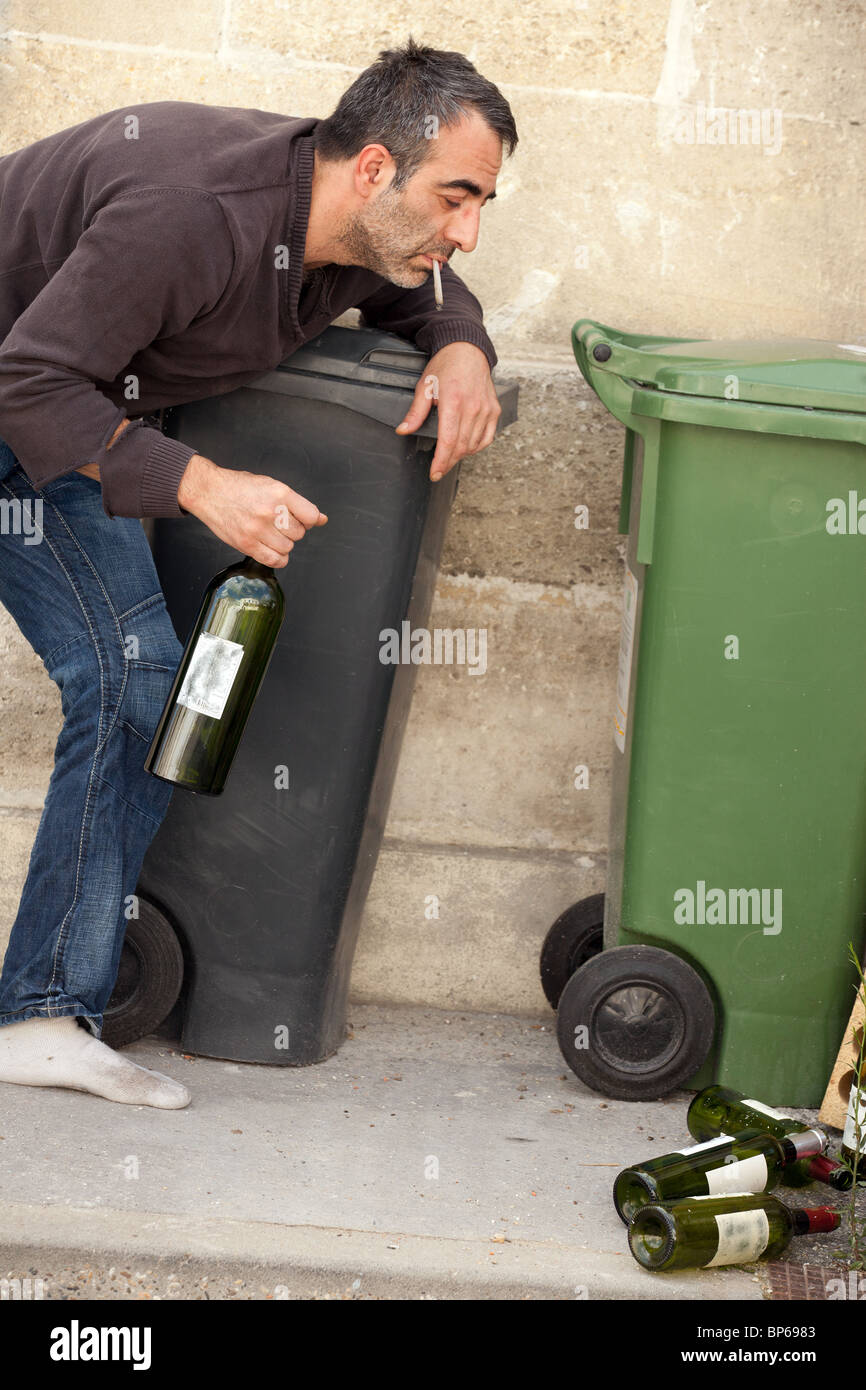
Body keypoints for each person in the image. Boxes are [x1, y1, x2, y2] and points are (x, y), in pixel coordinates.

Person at [0, 37, 518, 1107]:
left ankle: (40, 1015)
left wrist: (462, 341)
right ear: (373, 169)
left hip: (71, 414)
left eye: (481, 206)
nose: (463, 232)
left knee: (144, 676)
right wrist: (198, 483)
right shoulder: (191, 214)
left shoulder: (347, 228)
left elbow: (424, 286)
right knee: (133, 670)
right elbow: (32, 379)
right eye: (455, 198)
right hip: (27, 392)